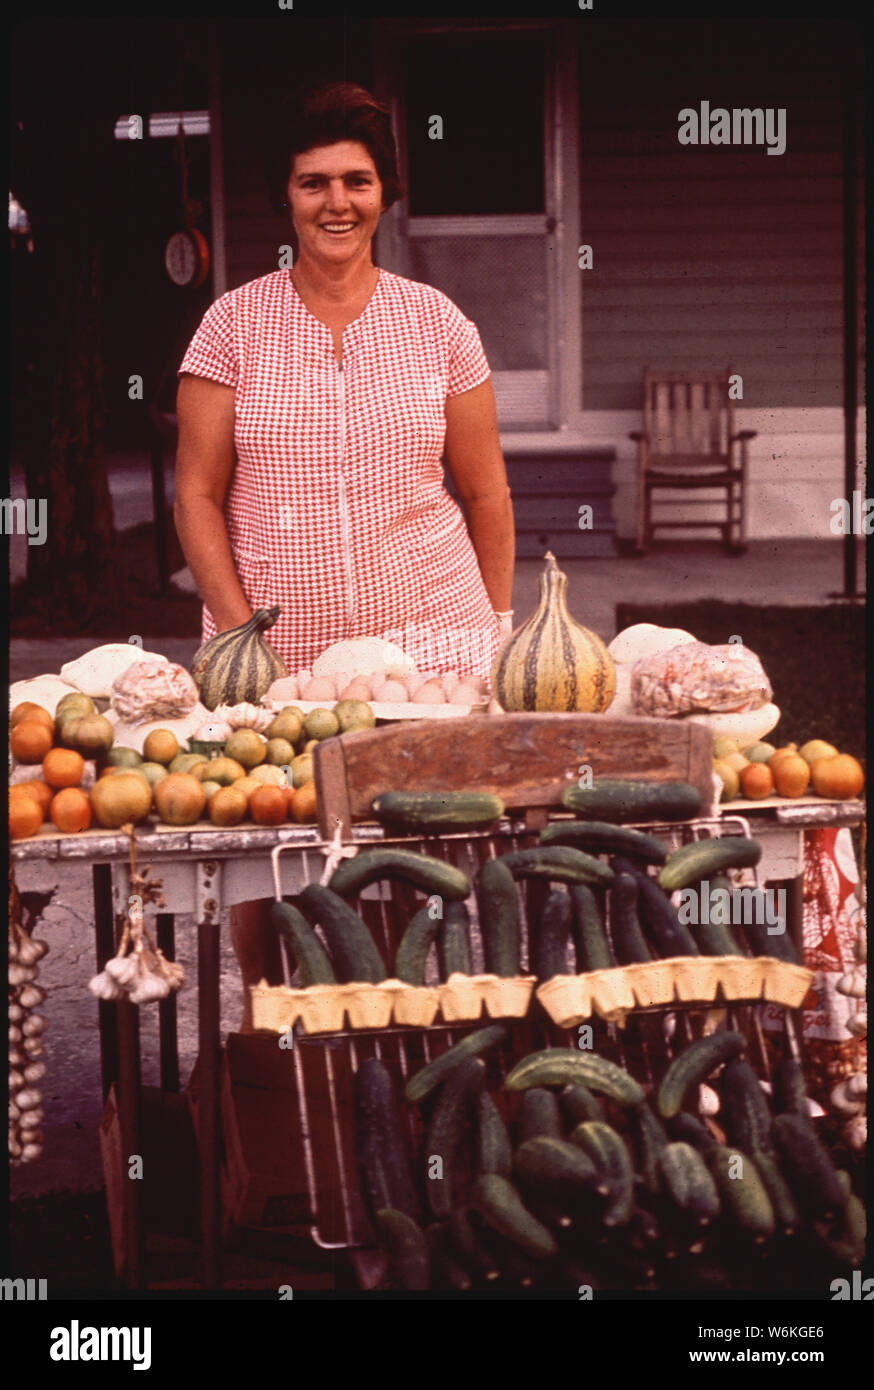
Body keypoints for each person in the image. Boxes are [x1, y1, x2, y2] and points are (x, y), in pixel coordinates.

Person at [174, 81, 515, 1020]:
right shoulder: (231, 326)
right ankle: (272, 1057)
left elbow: (485, 492)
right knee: (267, 862)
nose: (337, 202)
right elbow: (197, 496)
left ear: (385, 193)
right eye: (314, 181)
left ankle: (398, 1050)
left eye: (357, 181)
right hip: (277, 658)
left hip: (427, 650)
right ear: (285, 197)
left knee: (406, 863)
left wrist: (494, 633)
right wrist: (243, 640)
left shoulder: (439, 326)